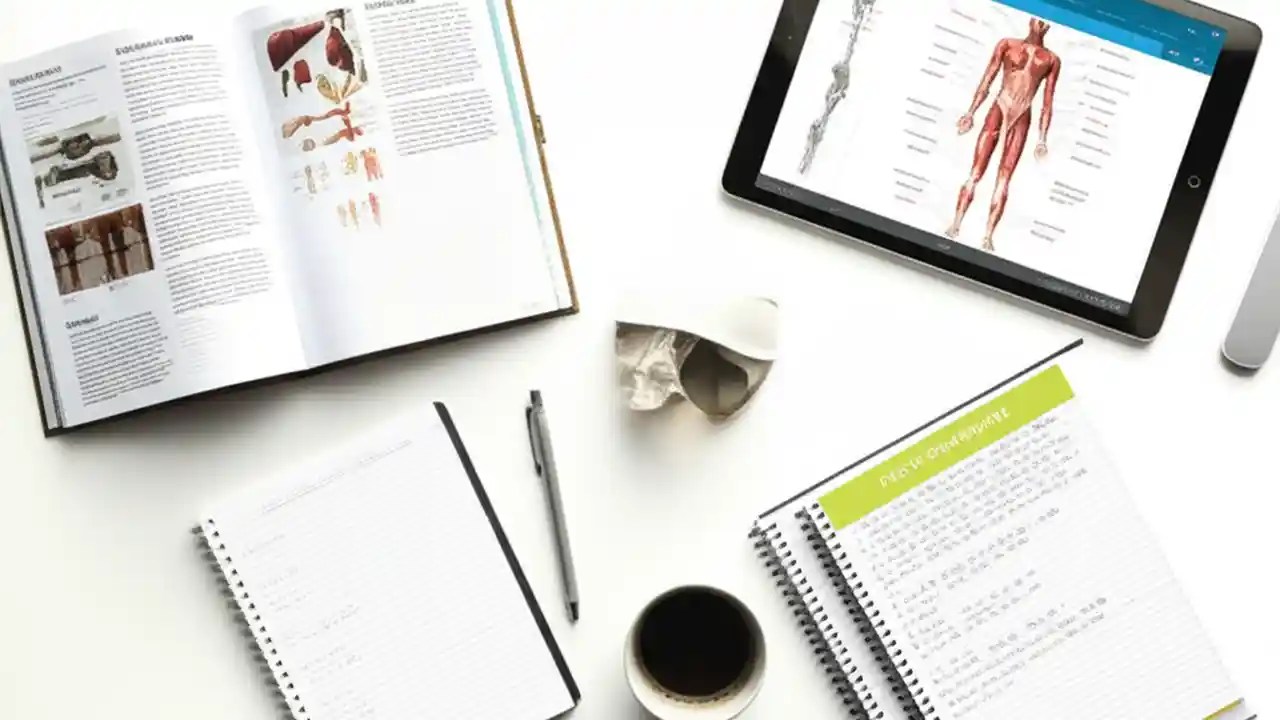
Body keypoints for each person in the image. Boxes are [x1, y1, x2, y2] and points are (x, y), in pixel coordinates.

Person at [946, 18, 1061, 252]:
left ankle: (988, 236)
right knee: (976, 171)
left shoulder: (1051, 59)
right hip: (1000, 104)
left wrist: (1042, 138)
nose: (1041, 24)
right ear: (1030, 20)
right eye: (1038, 19)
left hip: (1022, 112)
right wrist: (971, 112)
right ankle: (956, 224)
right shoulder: (1007, 44)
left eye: (1045, 22)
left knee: (1004, 178)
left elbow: (1047, 100)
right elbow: (988, 77)